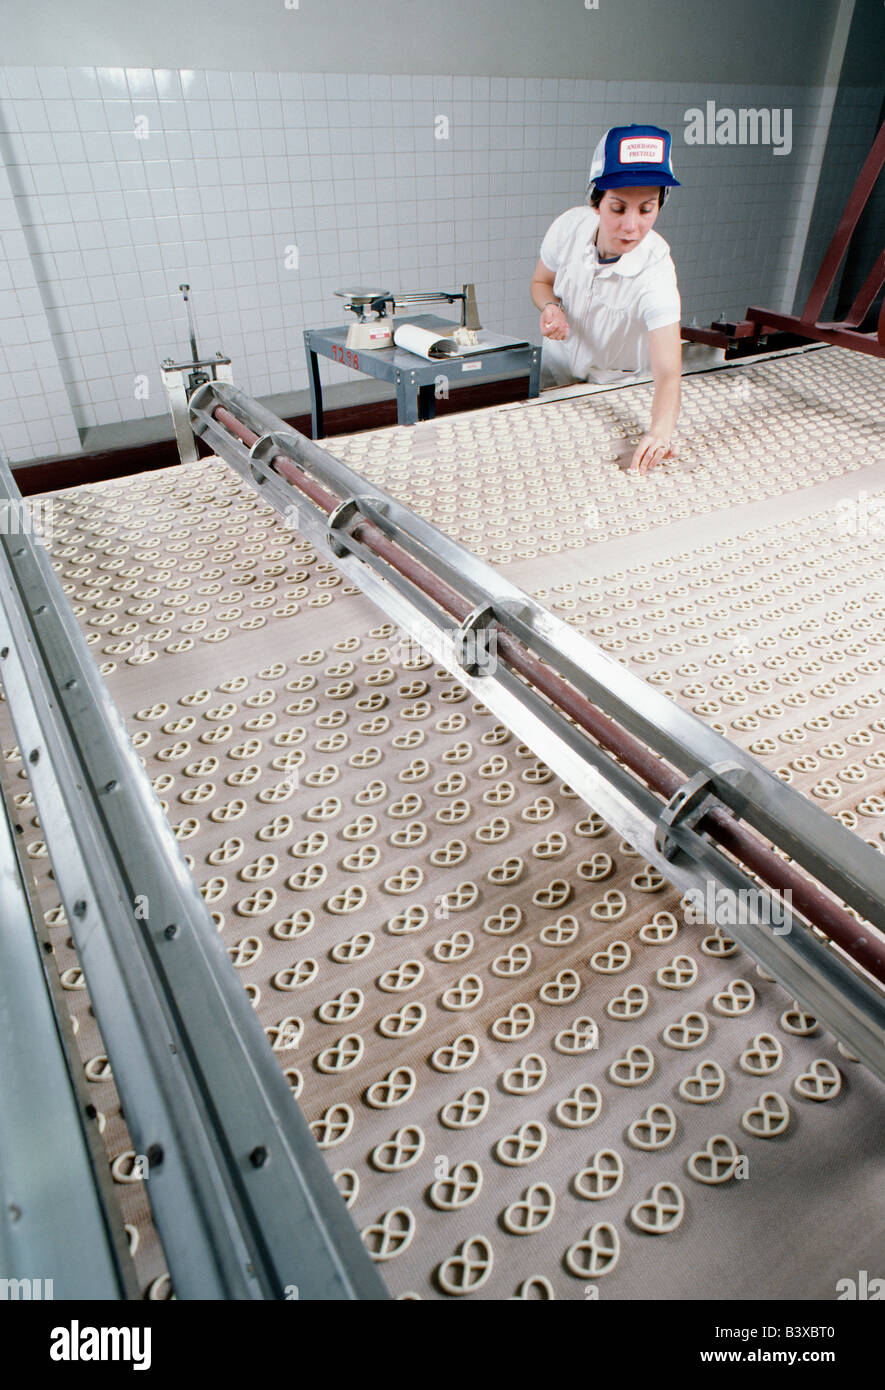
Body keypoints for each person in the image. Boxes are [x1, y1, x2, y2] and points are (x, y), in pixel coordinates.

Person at [530, 124, 683, 474]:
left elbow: (668, 370)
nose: (631, 226)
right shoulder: (569, 228)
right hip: (553, 379)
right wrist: (551, 307)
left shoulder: (656, 271)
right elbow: (541, 281)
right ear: (595, 201)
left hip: (609, 392)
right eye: (618, 208)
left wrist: (660, 432)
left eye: (646, 210)